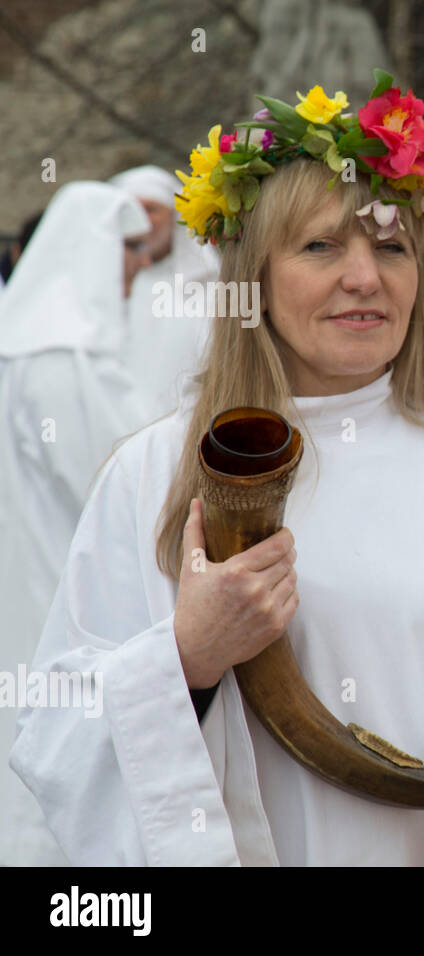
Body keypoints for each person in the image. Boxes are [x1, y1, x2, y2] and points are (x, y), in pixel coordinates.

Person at [10, 78, 424, 866]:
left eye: (392, 247)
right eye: (320, 246)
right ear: (255, 277)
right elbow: (55, 732)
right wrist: (186, 658)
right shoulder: (162, 470)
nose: (364, 278)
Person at [0, 181, 153, 865]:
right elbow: (129, 492)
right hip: (55, 593)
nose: (139, 265)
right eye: (127, 248)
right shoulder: (65, 364)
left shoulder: (25, 350)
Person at [108, 165, 221, 417]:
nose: (142, 220)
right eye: (133, 209)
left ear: (174, 218)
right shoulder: (103, 288)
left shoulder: (208, 287)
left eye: (151, 209)